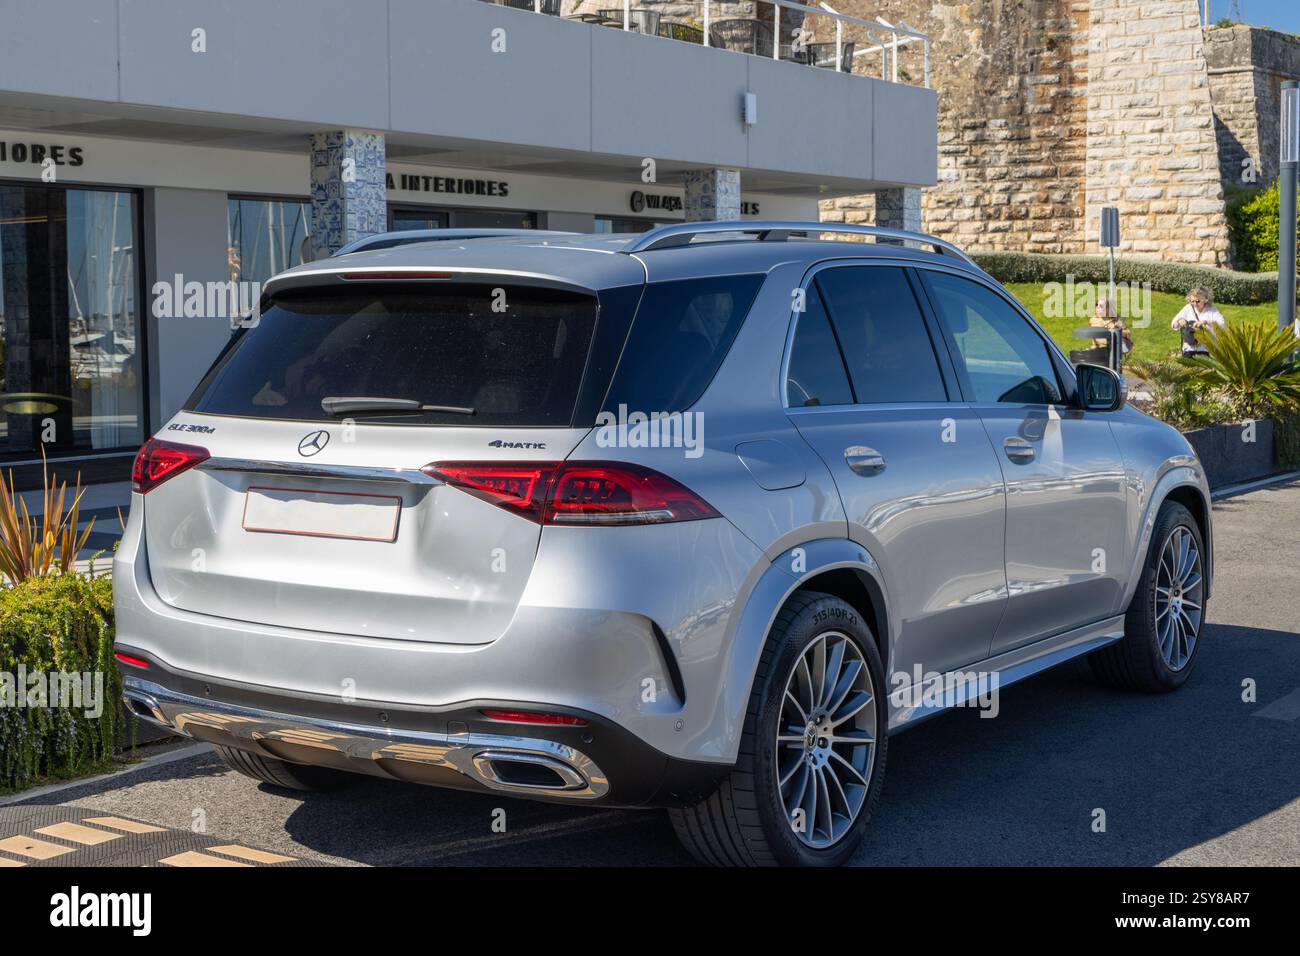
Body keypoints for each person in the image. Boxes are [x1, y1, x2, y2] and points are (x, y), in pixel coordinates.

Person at [1170, 286, 1225, 355]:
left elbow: (1222, 324)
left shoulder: (1212, 310)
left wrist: (1206, 322)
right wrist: (1179, 321)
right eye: (1192, 301)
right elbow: (1173, 324)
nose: (1195, 304)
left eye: (1198, 301)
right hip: (1189, 349)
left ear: (1205, 299)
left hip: (1206, 349)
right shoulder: (1188, 308)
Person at [1090, 296, 1132, 365]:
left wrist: (1117, 330)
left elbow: (1127, 332)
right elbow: (1101, 340)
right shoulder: (1094, 320)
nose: (1097, 307)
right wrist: (1114, 329)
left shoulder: (1116, 318)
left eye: (1100, 306)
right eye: (1096, 305)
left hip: (1116, 357)